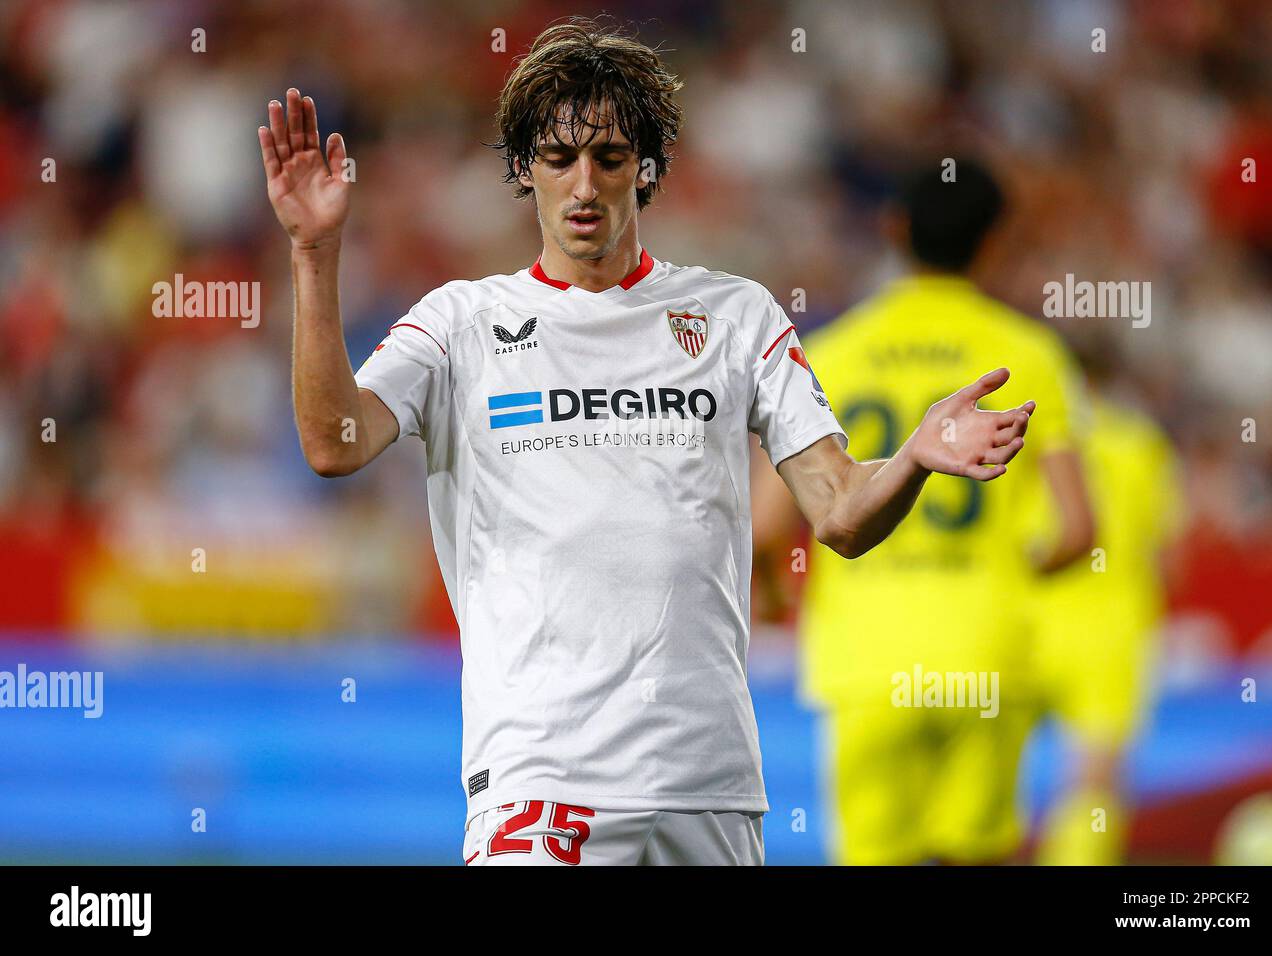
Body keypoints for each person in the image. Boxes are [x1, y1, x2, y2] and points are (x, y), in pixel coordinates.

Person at [258, 20, 1035, 866]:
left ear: (649, 169)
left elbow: (841, 513)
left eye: (611, 158)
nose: (584, 184)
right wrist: (314, 251)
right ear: (522, 170)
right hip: (542, 778)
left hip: (709, 783)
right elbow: (334, 444)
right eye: (558, 158)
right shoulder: (461, 323)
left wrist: (914, 456)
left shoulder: (737, 317)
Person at [753, 160, 1094, 864]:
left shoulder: (832, 352)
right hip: (986, 654)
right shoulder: (1029, 354)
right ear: (995, 240)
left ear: (894, 228)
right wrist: (1008, 573)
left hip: (866, 658)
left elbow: (763, 528)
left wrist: (781, 595)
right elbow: (1077, 531)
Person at [1029, 343, 1185, 866]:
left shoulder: (1027, 438)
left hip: (1029, 623)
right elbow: (1170, 557)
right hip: (1113, 629)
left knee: (993, 766)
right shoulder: (1140, 442)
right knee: (1095, 778)